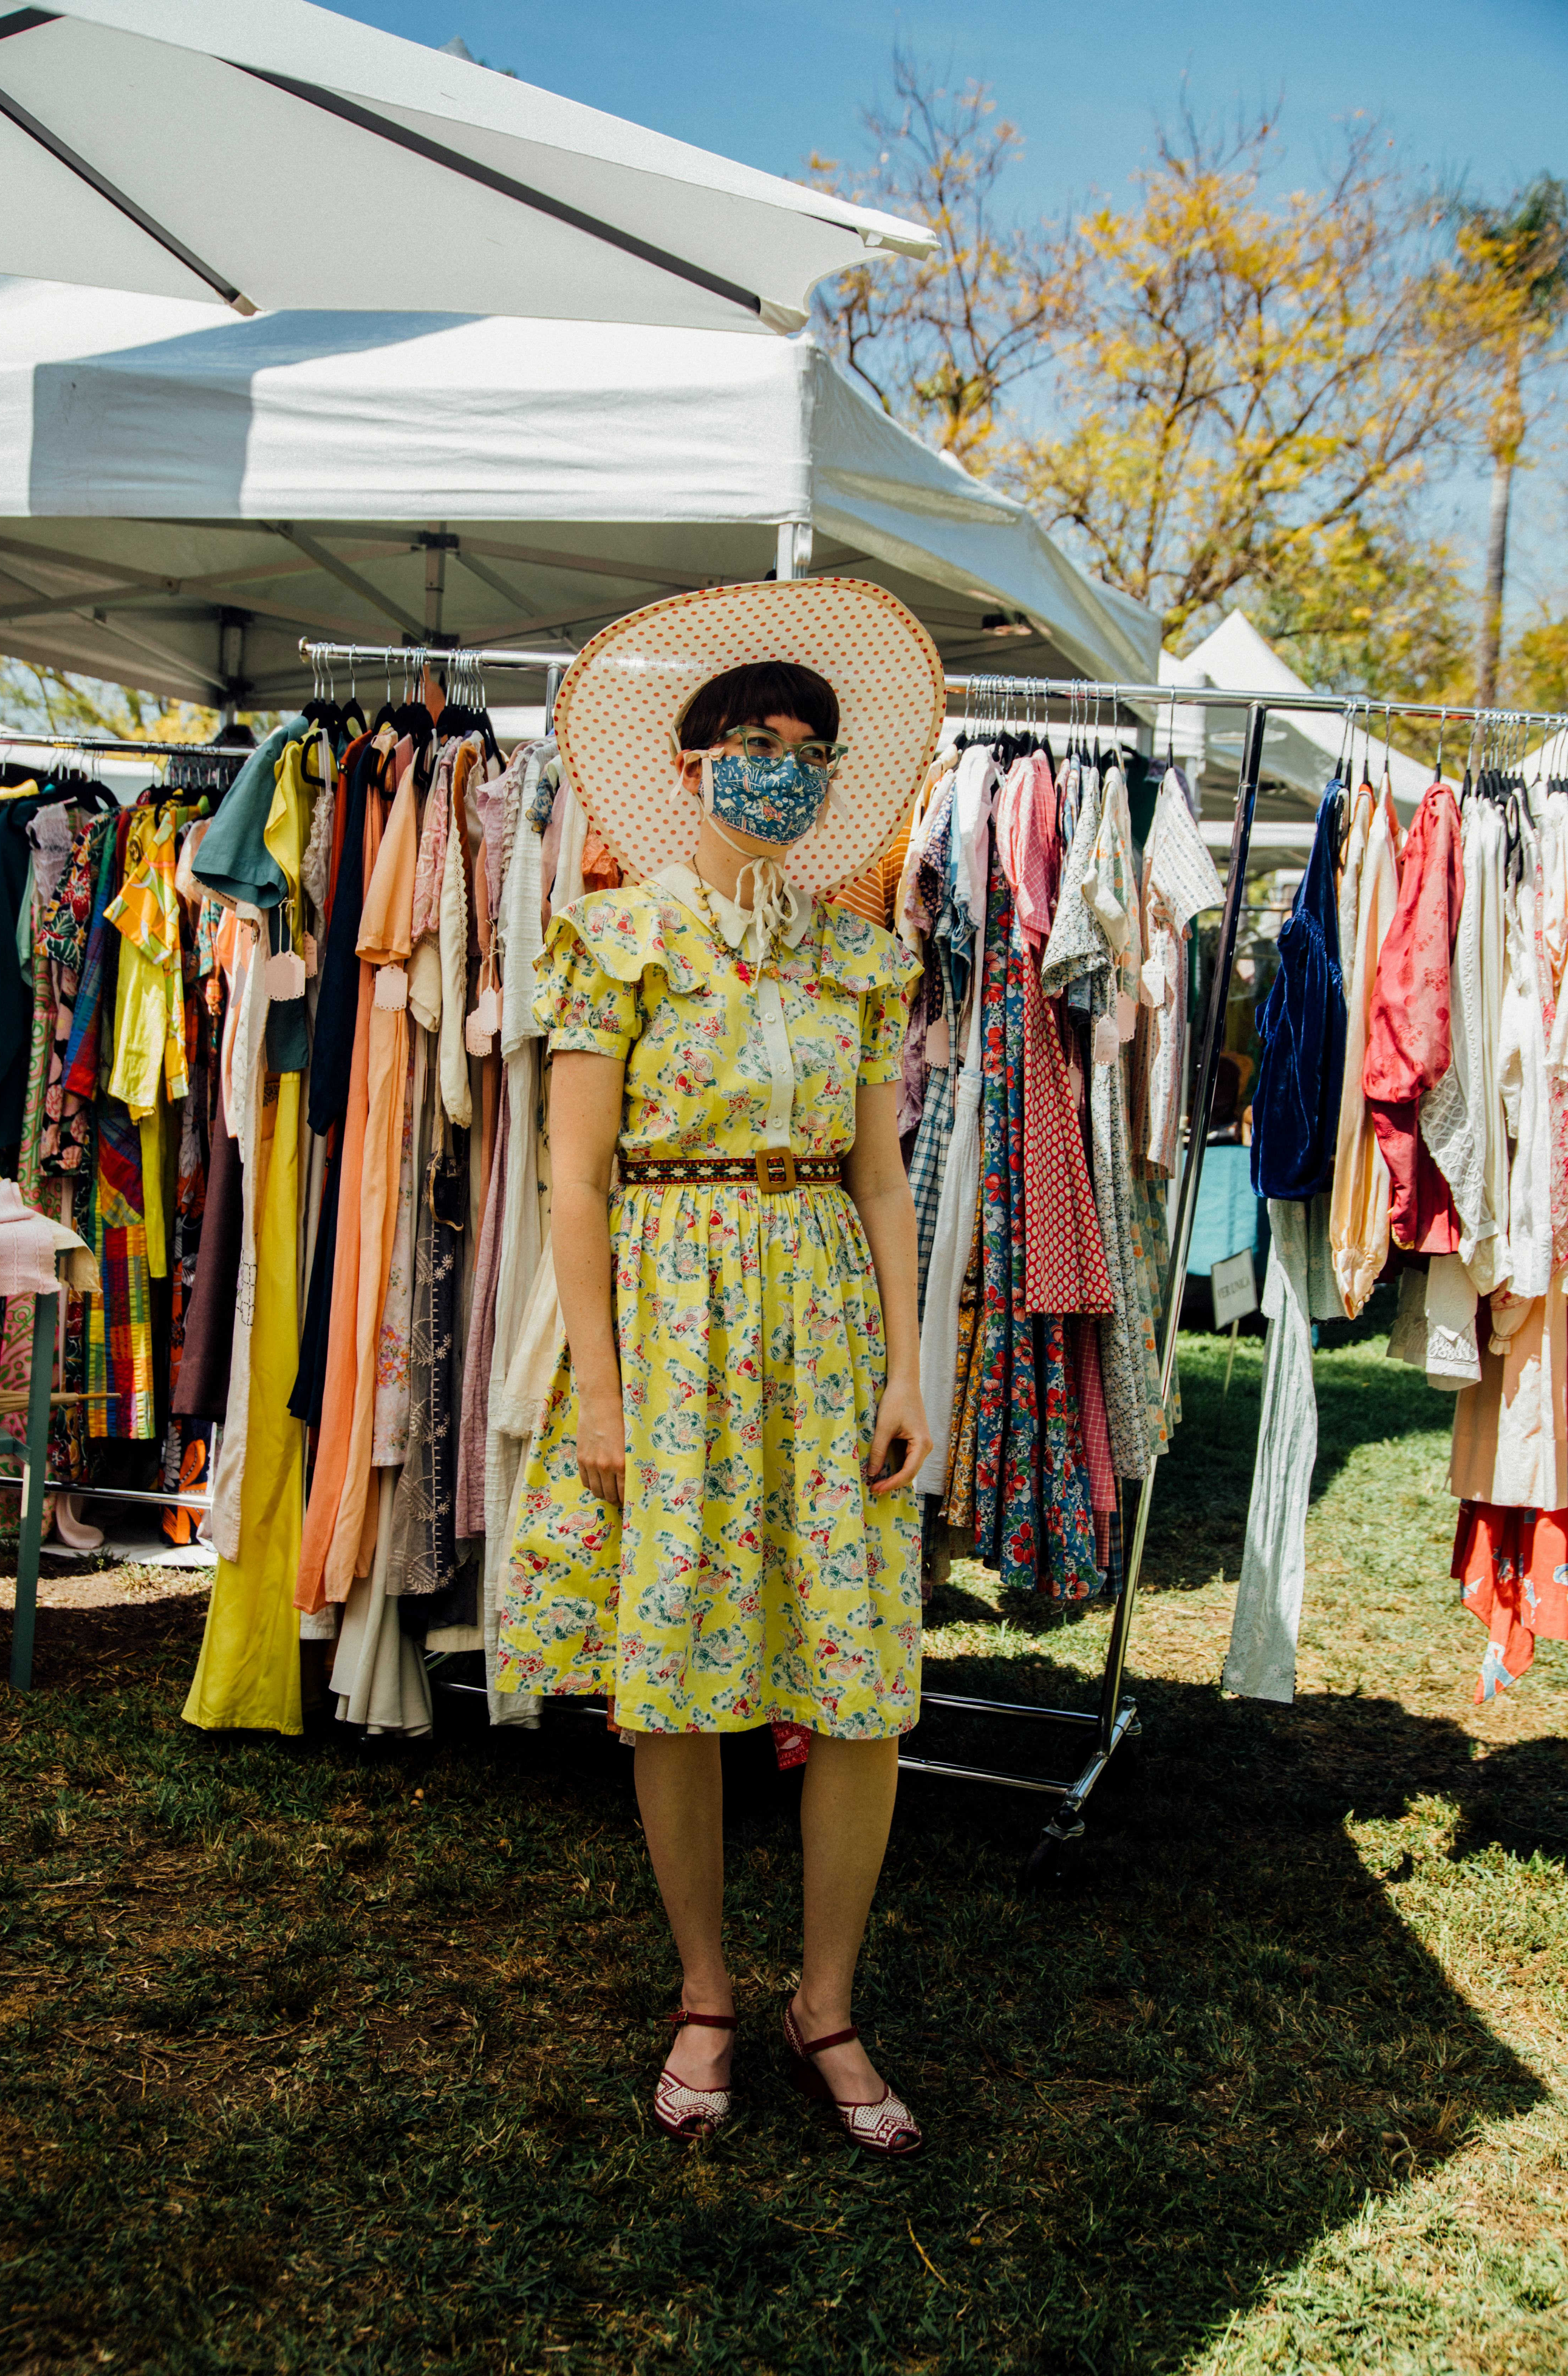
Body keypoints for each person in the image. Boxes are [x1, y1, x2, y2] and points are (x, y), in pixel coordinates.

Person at [496, 577, 945, 2155]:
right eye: (750, 739)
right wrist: (601, 1390)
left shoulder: (862, 960)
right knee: (675, 1680)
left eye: (806, 748)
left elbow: (884, 1179)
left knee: (860, 1685)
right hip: (673, 1322)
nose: (780, 764)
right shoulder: (607, 937)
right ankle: (705, 1989)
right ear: (687, 765)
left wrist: (910, 1368)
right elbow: (573, 1179)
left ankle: (826, 2000)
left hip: (823, 1318)